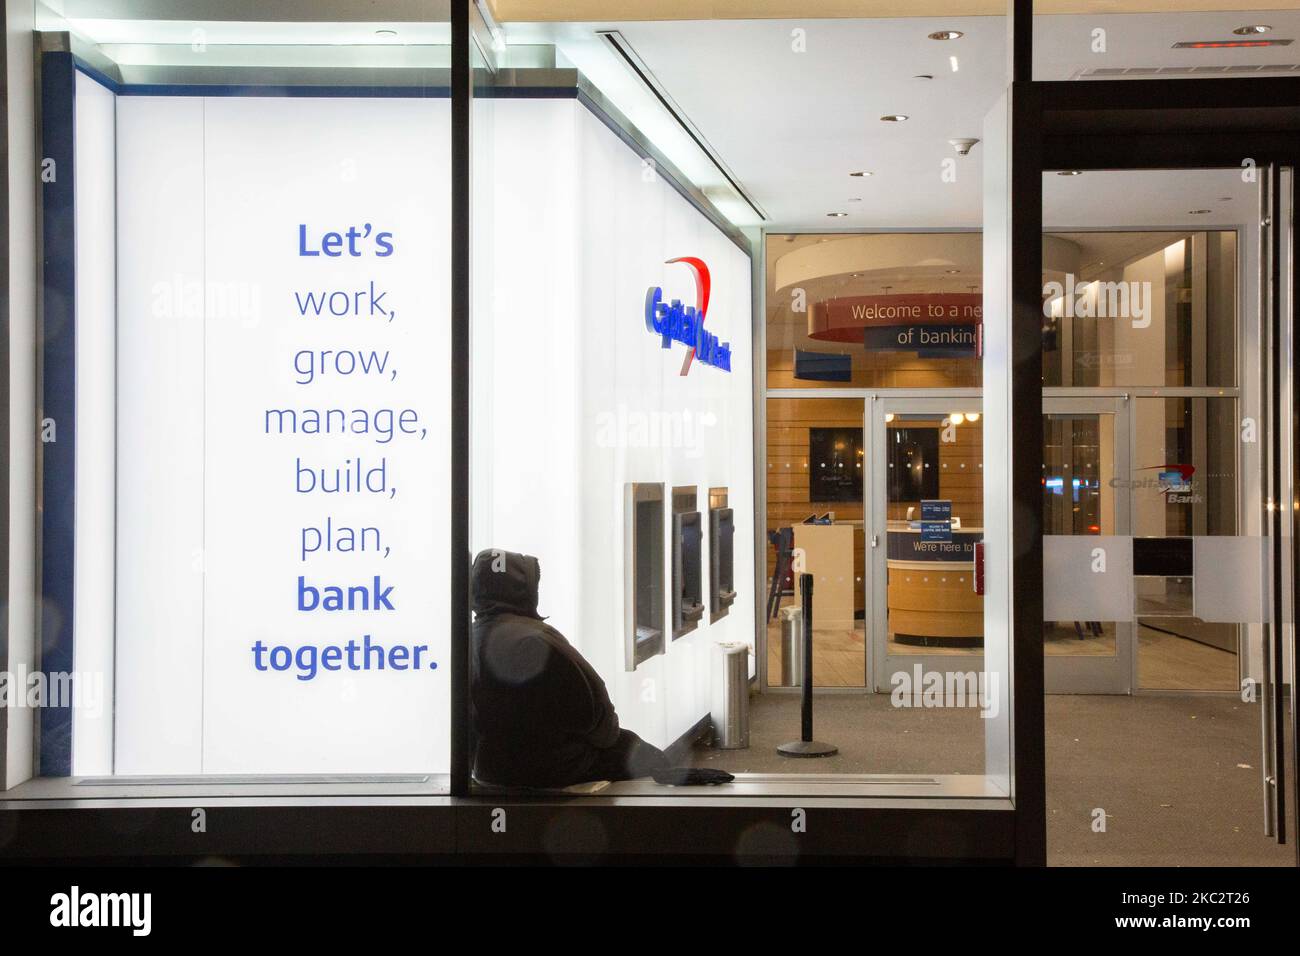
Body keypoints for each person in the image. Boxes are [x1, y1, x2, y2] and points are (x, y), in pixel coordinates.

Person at [470, 548, 669, 788]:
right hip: (554, 767)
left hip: (490, 769)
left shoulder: (469, 639)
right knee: (653, 760)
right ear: (523, 590)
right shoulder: (539, 639)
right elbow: (596, 714)